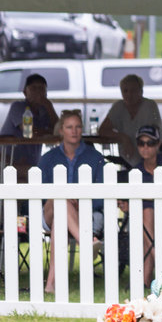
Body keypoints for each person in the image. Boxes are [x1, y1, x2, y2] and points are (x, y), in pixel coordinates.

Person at [36, 109, 107, 293]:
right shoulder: (47, 159)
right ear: (61, 130)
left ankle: (50, 285)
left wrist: (80, 202)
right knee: (59, 200)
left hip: (85, 214)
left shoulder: (95, 157)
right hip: (49, 213)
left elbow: (102, 195)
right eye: (69, 127)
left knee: (62, 216)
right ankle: (87, 241)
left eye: (77, 127)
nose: (74, 131)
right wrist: (67, 199)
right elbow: (40, 195)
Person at [115, 124, 162, 287]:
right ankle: (156, 265)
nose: (145, 147)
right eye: (141, 143)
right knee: (147, 212)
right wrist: (127, 206)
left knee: (147, 213)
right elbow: (131, 201)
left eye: (150, 143)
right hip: (148, 220)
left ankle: (148, 275)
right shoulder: (135, 172)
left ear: (158, 144)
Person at [0, 72, 57, 179]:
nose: (38, 92)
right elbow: (30, 131)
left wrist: (49, 106)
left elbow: (59, 129)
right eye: (34, 88)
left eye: (41, 88)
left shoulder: (44, 110)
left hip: (31, 162)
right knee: (41, 176)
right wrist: (47, 131)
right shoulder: (18, 107)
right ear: (25, 92)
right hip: (9, 161)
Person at [98, 74, 162, 166]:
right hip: (126, 159)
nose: (129, 94)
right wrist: (124, 138)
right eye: (125, 91)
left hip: (150, 159)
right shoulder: (119, 106)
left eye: (133, 91)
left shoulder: (149, 106)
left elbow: (153, 135)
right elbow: (102, 130)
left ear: (141, 91)